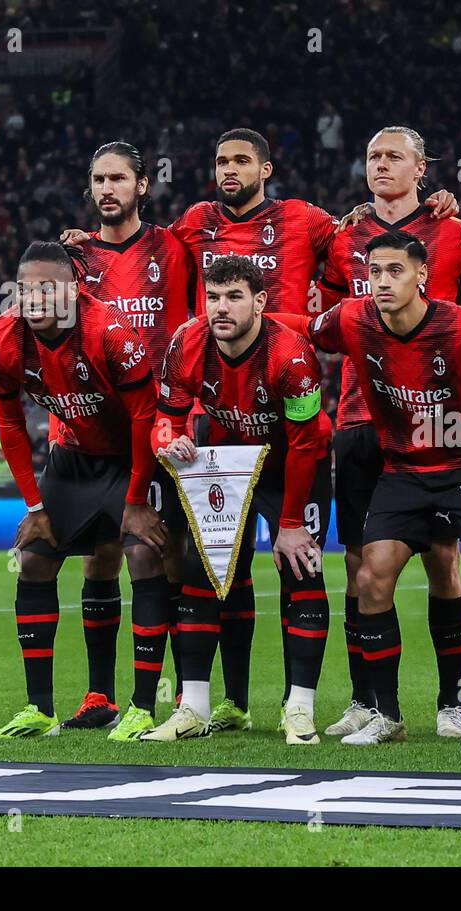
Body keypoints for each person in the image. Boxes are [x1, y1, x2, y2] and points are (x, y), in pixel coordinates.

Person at [304, 231, 461, 747]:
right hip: (404, 467)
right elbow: (304, 330)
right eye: (374, 271)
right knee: (373, 576)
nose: (382, 281)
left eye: (395, 271)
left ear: (422, 275)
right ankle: (388, 715)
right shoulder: (351, 319)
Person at [318, 126, 461, 740]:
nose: (381, 164)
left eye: (394, 156)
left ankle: (450, 702)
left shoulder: (454, 233)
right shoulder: (345, 237)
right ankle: (368, 702)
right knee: (361, 567)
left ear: (422, 168)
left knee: (444, 563)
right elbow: (324, 309)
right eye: (373, 156)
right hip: (360, 419)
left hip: (434, 428)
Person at [0, 241, 168, 739]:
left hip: (133, 456)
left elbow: (146, 417)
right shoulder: (2, 338)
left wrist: (134, 501)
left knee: (143, 556)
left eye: (48, 288)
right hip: (74, 459)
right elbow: (10, 421)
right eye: (25, 289)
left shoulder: (109, 332)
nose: (35, 299)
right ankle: (41, 710)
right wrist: (35, 506)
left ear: (74, 289)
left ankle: (142, 708)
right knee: (36, 558)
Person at [148, 254, 332, 744]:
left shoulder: (291, 355)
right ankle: (194, 708)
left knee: (301, 567)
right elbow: (164, 417)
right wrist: (170, 440)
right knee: (201, 568)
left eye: (234, 297)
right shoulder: (187, 341)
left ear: (260, 301)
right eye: (213, 297)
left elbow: (308, 442)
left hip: (293, 462)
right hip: (227, 458)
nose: (221, 308)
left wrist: (291, 522)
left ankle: (299, 709)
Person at [57, 141, 198, 739]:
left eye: (118, 178)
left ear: (143, 184)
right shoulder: (75, 257)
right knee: (98, 557)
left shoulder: (174, 248)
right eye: (98, 179)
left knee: (159, 551)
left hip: (159, 422)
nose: (107, 188)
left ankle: (164, 696)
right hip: (90, 428)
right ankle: (100, 695)